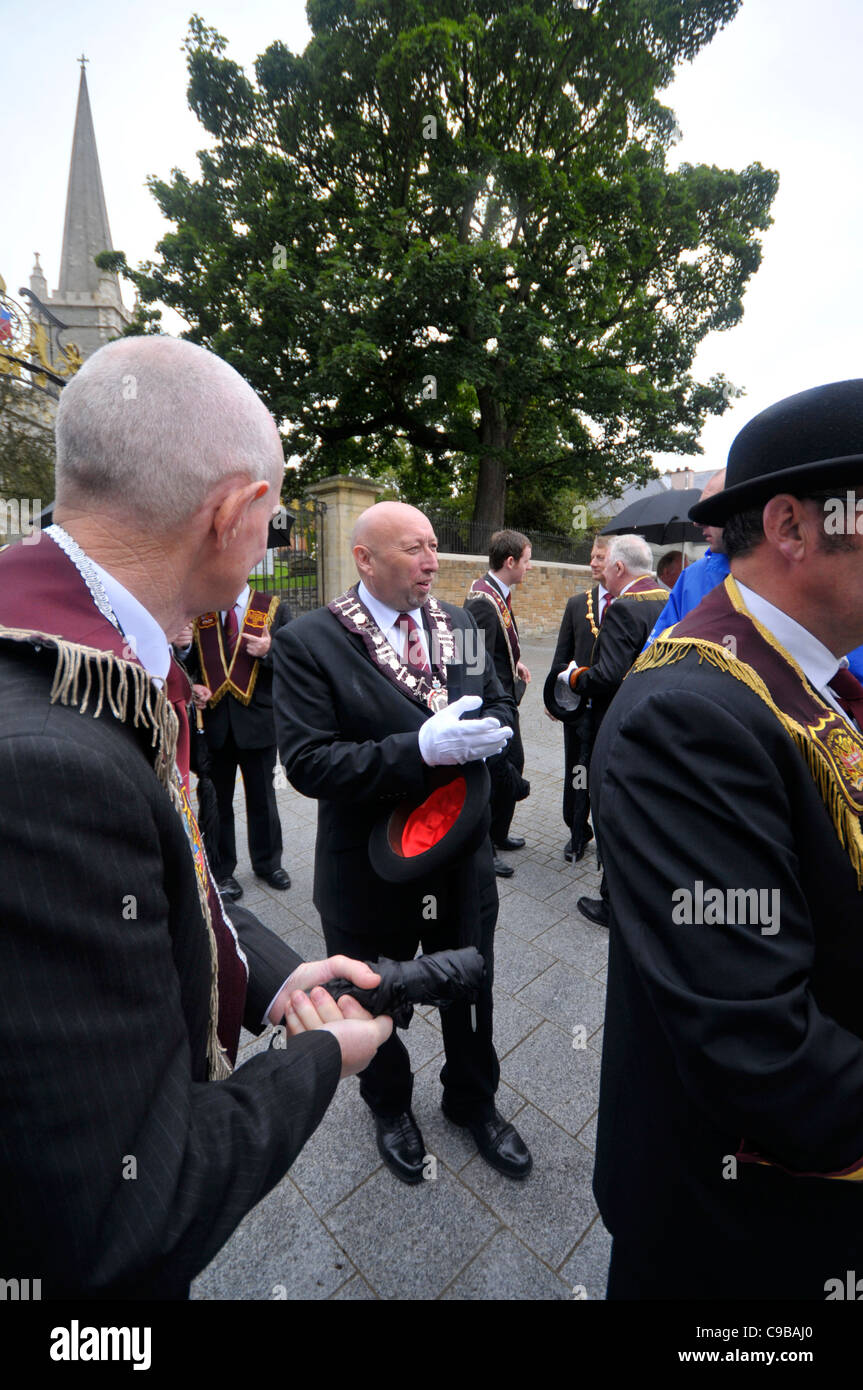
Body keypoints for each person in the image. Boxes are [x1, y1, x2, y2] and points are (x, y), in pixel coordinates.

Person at [0, 335, 391, 1299]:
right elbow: (125, 1210)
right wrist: (312, 1060)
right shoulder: (53, 762)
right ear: (234, 514)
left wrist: (273, 972)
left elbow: (160, 876)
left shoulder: (70, 645)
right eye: (273, 521)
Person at [591, 379, 863, 1299]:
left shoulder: (809, 674)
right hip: (744, 1232)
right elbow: (757, 1043)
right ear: (791, 526)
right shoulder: (688, 714)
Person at [274, 502, 533, 1184]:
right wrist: (418, 748)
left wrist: (495, 732)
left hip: (461, 862)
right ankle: (388, 1104)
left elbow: (501, 700)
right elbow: (308, 763)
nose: (430, 561)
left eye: (434, 546)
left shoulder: (463, 622)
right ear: (365, 558)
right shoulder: (310, 640)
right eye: (413, 548)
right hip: (369, 868)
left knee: (471, 987)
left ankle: (472, 1100)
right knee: (372, 992)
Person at [555, 535, 667, 927]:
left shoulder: (623, 608)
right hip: (656, 721)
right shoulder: (668, 597)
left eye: (607, 567)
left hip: (618, 725)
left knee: (611, 814)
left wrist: (574, 678)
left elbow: (607, 676)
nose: (602, 573)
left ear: (620, 568)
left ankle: (612, 902)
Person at [186, 585, 292, 899]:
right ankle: (221, 871)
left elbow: (295, 659)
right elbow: (188, 663)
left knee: (263, 798)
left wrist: (270, 651)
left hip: (259, 722)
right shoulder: (199, 610)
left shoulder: (273, 608)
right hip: (215, 722)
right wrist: (194, 684)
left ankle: (268, 863)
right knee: (217, 802)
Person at [464, 529, 532, 877]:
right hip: (493, 705)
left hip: (504, 695)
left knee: (512, 763)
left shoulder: (496, 593)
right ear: (510, 561)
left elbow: (494, 648)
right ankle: (483, 847)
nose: (529, 567)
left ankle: (499, 834)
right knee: (495, 773)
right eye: (526, 560)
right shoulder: (481, 600)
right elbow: (472, 662)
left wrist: (514, 661)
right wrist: (485, 715)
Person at [544, 534, 610, 862]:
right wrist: (553, 698)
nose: (593, 562)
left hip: (615, 711)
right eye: (592, 556)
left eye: (600, 556)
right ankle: (577, 830)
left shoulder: (637, 605)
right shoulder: (576, 604)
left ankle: (610, 834)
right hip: (579, 710)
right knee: (577, 770)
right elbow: (561, 656)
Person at [644, 470, 728, 646]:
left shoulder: (788, 574)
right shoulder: (692, 576)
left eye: (711, 508)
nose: (697, 522)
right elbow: (654, 655)